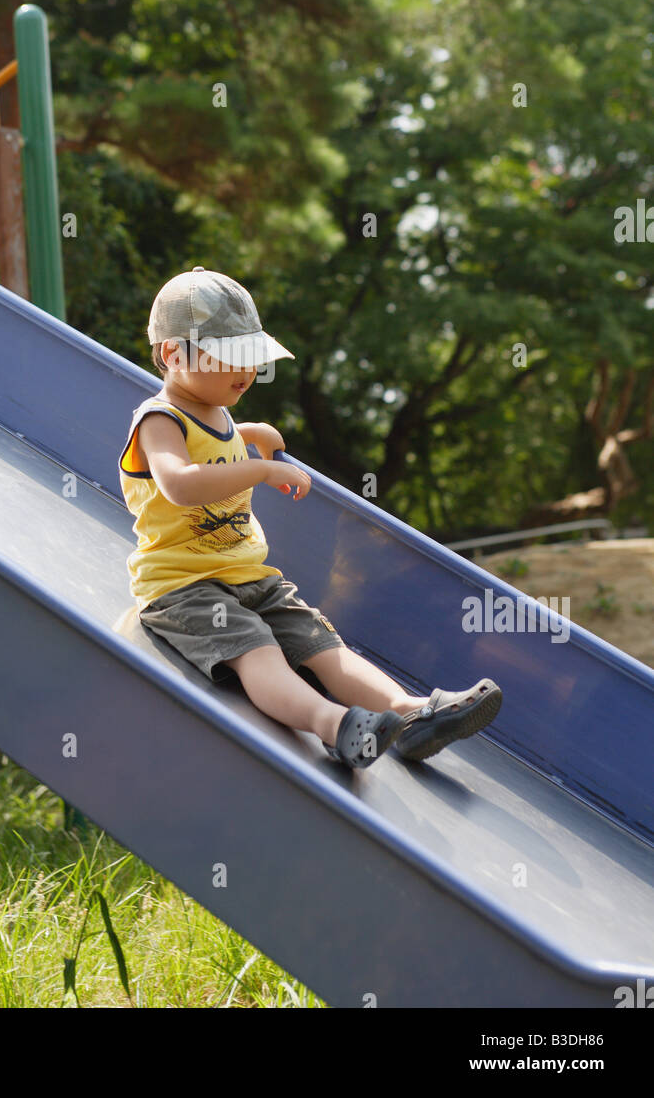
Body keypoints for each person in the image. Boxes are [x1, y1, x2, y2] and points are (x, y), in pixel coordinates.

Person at [118, 265, 502, 769]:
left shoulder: (218, 410)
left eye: (252, 357)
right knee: (259, 654)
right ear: (174, 354)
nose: (247, 371)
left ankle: (410, 715)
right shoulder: (157, 420)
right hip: (182, 587)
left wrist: (250, 432)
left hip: (249, 575)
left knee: (322, 643)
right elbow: (178, 483)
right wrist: (257, 469)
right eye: (231, 357)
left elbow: (216, 441)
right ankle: (336, 726)